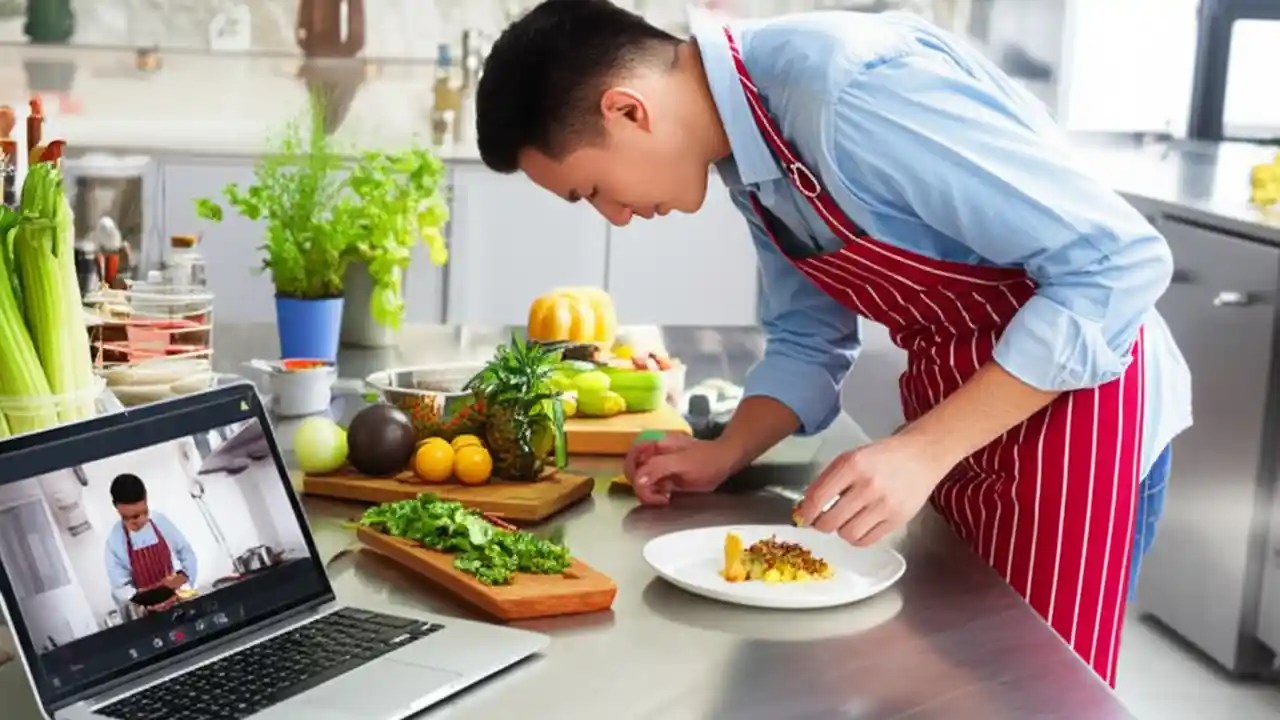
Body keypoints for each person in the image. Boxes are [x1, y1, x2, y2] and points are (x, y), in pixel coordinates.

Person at [476, 0, 1194, 685]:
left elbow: (1116, 263)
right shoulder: (746, 153)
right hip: (967, 429)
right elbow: (807, 335)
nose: (616, 217)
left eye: (593, 189)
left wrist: (922, 451)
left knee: (1027, 696)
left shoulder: (849, 94)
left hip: (1082, 416)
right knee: (963, 688)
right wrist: (726, 450)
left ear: (627, 110)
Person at [104, 473, 199, 615]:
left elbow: (186, 553)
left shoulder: (160, 522)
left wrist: (183, 578)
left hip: (177, 601)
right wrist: (147, 596)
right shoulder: (115, 541)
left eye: (144, 512)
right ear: (117, 507)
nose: (141, 520)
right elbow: (120, 588)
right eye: (133, 518)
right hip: (147, 613)